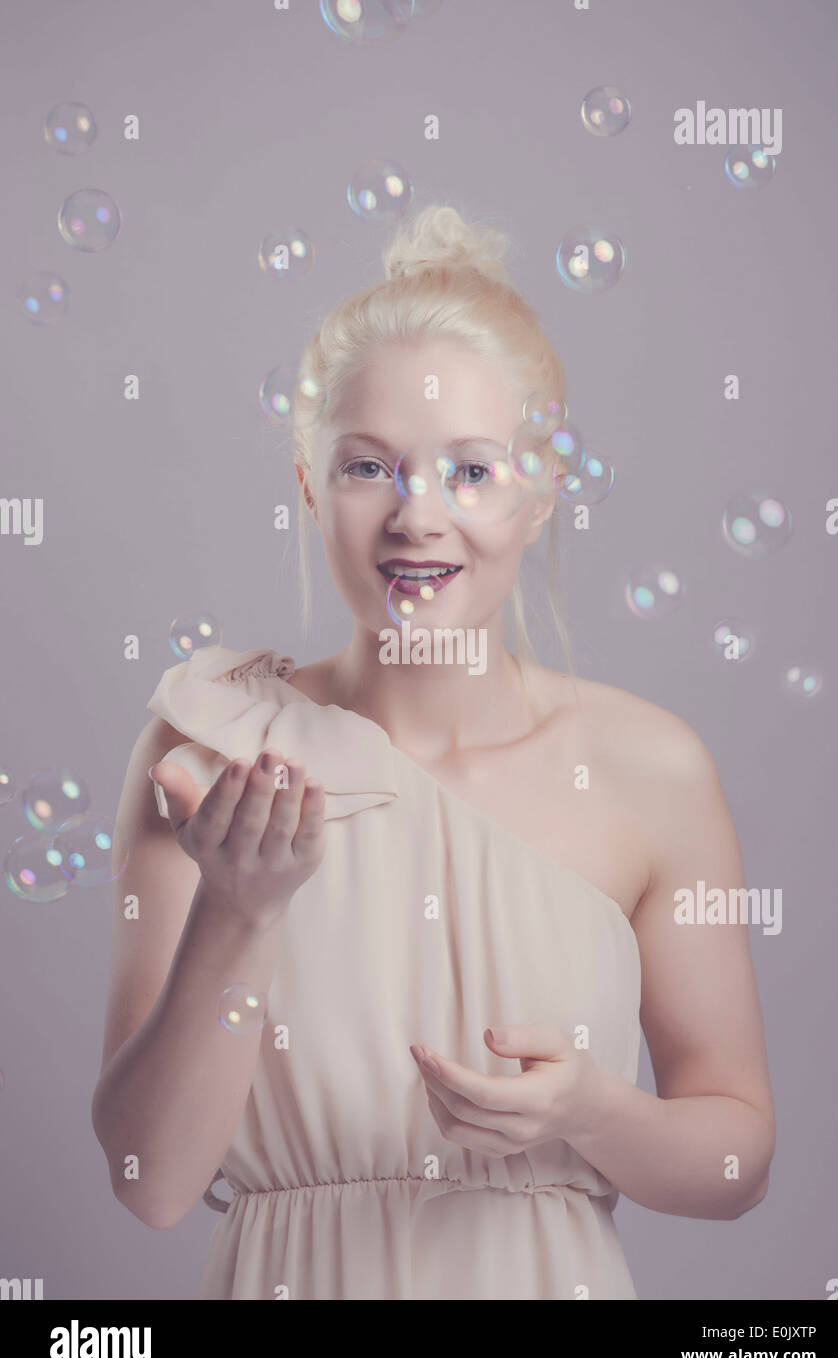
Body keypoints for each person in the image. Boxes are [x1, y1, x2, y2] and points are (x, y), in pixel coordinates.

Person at [91, 204, 775, 1300]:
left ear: (541, 492)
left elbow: (738, 1161)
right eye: (369, 467)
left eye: (471, 472)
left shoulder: (652, 769)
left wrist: (593, 1110)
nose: (418, 517)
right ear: (309, 483)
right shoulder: (208, 748)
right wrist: (240, 907)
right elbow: (151, 1181)